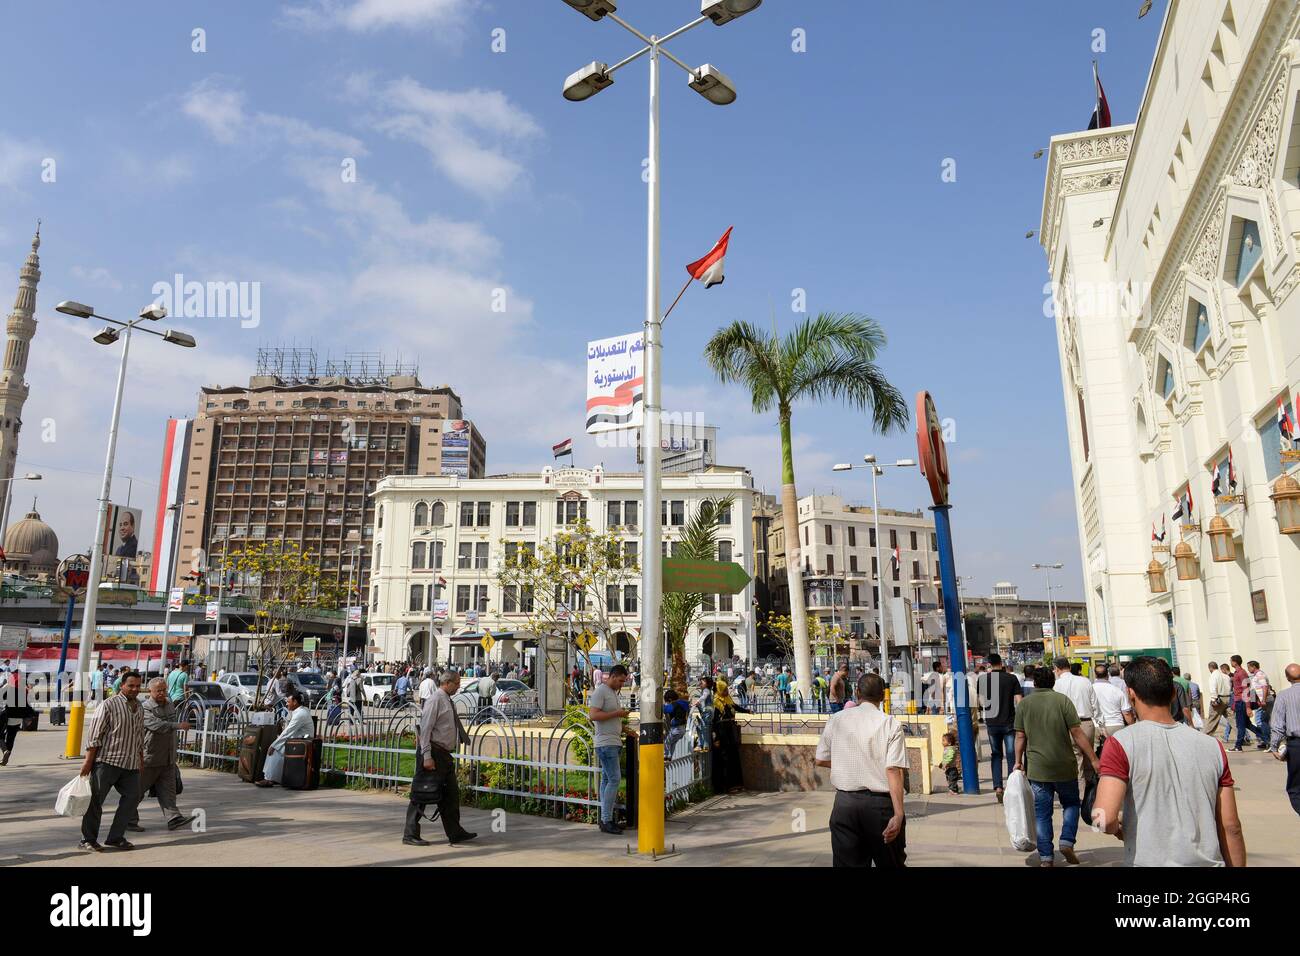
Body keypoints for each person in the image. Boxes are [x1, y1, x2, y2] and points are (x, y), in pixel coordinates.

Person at [1092, 656, 1246, 866]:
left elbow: (1104, 818)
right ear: (1174, 694)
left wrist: (1120, 828)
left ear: (1130, 694)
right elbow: (1231, 827)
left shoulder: (1120, 744)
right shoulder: (1212, 747)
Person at [815, 673, 907, 868]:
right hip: (880, 807)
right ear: (882, 696)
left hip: (845, 805)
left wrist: (845, 762)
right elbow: (893, 770)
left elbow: (821, 759)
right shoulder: (890, 724)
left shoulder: (837, 719)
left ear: (857, 693)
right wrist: (898, 814)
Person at [1014, 667, 1100, 866]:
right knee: (1071, 804)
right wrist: (1094, 759)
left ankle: (1046, 858)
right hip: (1064, 766)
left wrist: (1018, 762)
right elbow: (1078, 733)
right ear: (1052, 682)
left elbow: (1020, 736)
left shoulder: (1025, 704)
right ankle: (1067, 840)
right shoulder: (1063, 701)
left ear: (1035, 683)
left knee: (1042, 812)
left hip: (1038, 769)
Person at [404, 670, 475, 846]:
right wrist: (427, 756)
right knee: (423, 792)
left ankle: (455, 832)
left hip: (444, 754)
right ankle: (410, 833)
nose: (459, 686)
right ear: (447, 683)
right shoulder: (435, 700)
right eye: (457, 683)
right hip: (433, 753)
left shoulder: (447, 700)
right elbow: (425, 730)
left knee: (451, 794)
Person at [78, 670, 146, 852]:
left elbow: (139, 735)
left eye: (138, 686)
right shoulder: (108, 705)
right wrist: (88, 762)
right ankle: (88, 839)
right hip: (107, 761)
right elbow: (94, 736)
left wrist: (140, 759)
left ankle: (115, 837)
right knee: (95, 802)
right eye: (131, 685)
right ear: (122, 685)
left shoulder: (139, 706)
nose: (135, 689)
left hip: (130, 763)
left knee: (132, 798)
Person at [127, 678, 196, 832]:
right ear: (150, 691)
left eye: (164, 690)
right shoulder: (145, 708)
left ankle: (173, 818)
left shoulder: (169, 704)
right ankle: (128, 820)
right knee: (136, 791)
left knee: (168, 791)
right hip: (150, 758)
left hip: (168, 757)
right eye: (158, 690)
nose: (162, 693)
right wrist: (177, 725)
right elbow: (156, 725)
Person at [588, 664, 632, 835]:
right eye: (621, 681)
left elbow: (612, 719)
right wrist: (617, 714)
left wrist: (626, 730)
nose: (622, 684)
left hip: (613, 742)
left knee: (607, 781)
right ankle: (606, 820)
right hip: (606, 743)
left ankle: (605, 818)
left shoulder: (612, 693)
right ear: (613, 676)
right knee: (614, 780)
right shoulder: (601, 691)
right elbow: (593, 715)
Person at [1051, 656, 1100, 800]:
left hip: (1067, 726)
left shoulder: (1056, 685)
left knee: (1075, 759)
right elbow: (1095, 704)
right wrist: (1098, 723)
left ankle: (1080, 793)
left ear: (1057, 668)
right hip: (1086, 724)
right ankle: (1092, 793)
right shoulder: (1085, 681)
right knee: (1089, 757)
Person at [975, 653, 1022, 802]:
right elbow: (1019, 701)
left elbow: (981, 701)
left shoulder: (982, 679)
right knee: (1010, 754)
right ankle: (1010, 786)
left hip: (992, 722)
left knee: (996, 754)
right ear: (1001, 663)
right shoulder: (1012, 678)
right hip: (1009, 722)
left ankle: (998, 787)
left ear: (989, 664)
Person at [256, 691, 315, 788]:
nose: (286, 704)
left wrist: (274, 745)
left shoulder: (300, 714)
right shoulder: (300, 711)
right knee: (277, 747)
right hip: (297, 740)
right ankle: (275, 778)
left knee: (274, 750)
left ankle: (269, 779)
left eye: (288, 702)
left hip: (301, 743)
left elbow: (288, 732)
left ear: (295, 702)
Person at [1267, 663, 1300, 817]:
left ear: (1287, 677)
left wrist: (1274, 746)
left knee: (1295, 787)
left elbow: (1277, 724)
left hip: (1296, 745)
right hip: (1294, 743)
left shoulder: (1284, 695)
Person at [711, 678, 743, 793]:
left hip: (730, 733)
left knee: (733, 757)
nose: (726, 692)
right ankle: (725, 787)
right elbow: (714, 722)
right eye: (724, 690)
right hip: (721, 733)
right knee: (724, 759)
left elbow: (735, 707)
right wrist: (716, 738)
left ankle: (735, 784)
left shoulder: (728, 700)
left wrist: (747, 711)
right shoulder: (715, 703)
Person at [1229, 655, 1267, 751]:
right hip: (1239, 701)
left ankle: (1238, 746)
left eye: (1231, 661)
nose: (1230, 663)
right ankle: (1267, 739)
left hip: (1242, 701)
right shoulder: (1237, 672)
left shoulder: (1242, 673)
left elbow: (1246, 689)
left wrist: (1248, 707)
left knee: (1240, 725)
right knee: (1247, 724)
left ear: (1235, 662)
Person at [0, 669, 35, 767]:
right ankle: (6, 758)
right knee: (11, 738)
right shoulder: (25, 689)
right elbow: (30, 702)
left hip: (6, 715)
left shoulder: (8, 686)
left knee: (0, 734)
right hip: (19, 717)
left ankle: (5, 751)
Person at [1091, 664, 1133, 744]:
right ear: (1107, 674)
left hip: (1096, 726)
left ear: (1095, 675)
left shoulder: (1090, 689)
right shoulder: (1117, 691)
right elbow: (1126, 713)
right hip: (1116, 725)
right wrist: (1133, 726)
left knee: (1096, 754)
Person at [1246, 661, 1273, 744]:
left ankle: (1268, 741)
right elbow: (1255, 690)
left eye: (1249, 667)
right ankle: (1265, 741)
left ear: (1254, 667)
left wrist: (1263, 700)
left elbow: (1264, 687)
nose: (1248, 669)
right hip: (1261, 702)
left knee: (1261, 721)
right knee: (1263, 720)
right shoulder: (1255, 676)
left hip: (1265, 701)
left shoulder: (1260, 675)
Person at [1204, 661, 1232, 738]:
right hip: (1228, 698)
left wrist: (1213, 699)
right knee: (1232, 719)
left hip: (1219, 699)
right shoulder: (1225, 676)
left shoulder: (1213, 676)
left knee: (1213, 719)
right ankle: (1243, 737)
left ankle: (1206, 737)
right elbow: (1230, 686)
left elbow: (1213, 688)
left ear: (1210, 668)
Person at [663, 689, 689, 756]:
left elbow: (666, 710)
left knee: (667, 742)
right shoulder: (683, 703)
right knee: (673, 743)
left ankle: (665, 757)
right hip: (683, 728)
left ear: (670, 699)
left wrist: (662, 706)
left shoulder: (674, 705)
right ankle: (670, 757)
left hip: (676, 729)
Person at [693, 676, 714, 751]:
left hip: (707, 712)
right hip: (707, 712)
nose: (701, 682)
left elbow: (703, 697)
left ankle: (705, 745)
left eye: (703, 681)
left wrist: (698, 701)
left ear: (707, 684)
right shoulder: (706, 690)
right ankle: (703, 744)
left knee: (705, 728)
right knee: (704, 727)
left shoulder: (706, 690)